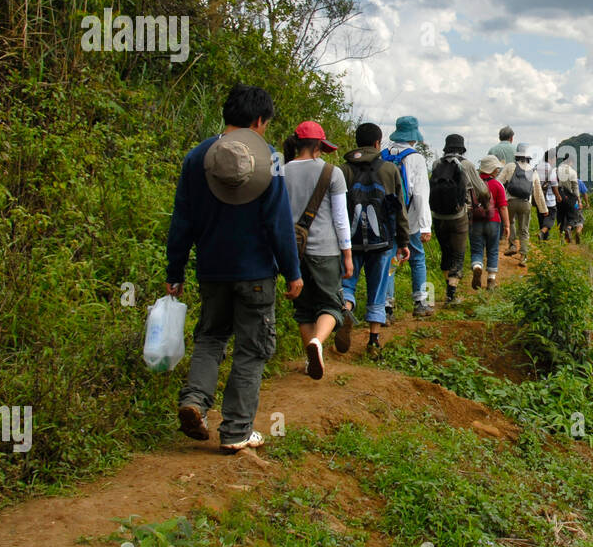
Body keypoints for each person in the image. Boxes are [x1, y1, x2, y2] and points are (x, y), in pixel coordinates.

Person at [166, 83, 302, 454]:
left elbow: (182, 220)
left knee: (211, 337)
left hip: (211, 271)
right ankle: (236, 431)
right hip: (255, 273)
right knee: (252, 349)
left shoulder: (196, 157)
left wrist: (174, 271)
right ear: (259, 121)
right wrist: (293, 271)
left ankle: (194, 400)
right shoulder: (270, 159)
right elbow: (278, 224)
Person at [282, 121, 352, 377]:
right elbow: (340, 218)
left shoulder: (281, 171)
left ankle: (311, 361)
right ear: (318, 146)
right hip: (326, 250)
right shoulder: (332, 173)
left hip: (293, 251)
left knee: (303, 308)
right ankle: (317, 343)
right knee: (332, 305)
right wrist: (347, 254)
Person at [339, 122, 410, 358]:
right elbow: (399, 208)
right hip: (382, 242)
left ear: (357, 142)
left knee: (347, 284)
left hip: (350, 241)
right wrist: (403, 241)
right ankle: (373, 341)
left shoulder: (344, 170)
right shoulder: (389, 170)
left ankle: (347, 308)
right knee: (378, 289)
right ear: (378, 143)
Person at [379, 115, 434, 322]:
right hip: (408, 219)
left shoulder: (382, 154)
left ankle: (386, 307)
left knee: (390, 260)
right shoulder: (415, 158)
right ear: (413, 135)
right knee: (417, 258)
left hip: (385, 219)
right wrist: (425, 225)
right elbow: (419, 194)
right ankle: (420, 302)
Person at [429, 133, 490, 304]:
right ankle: (451, 294)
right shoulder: (467, 165)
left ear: (446, 148)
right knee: (458, 254)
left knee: (446, 252)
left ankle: (448, 289)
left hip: (438, 216)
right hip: (459, 216)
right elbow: (483, 191)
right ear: (462, 149)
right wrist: (486, 205)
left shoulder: (436, 164)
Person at [498, 144, 546, 267]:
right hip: (525, 203)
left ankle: (513, 245)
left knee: (510, 223)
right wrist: (543, 209)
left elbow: (499, 182)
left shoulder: (510, 166)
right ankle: (523, 257)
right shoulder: (532, 171)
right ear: (528, 157)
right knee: (524, 230)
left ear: (517, 155)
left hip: (510, 202)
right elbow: (538, 192)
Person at [469, 156, 510, 289]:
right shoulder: (498, 185)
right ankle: (491, 280)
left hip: (475, 221)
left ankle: (477, 266)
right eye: (497, 168)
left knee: (476, 248)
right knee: (492, 249)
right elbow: (503, 207)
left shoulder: (472, 184)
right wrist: (507, 225)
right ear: (493, 169)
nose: (498, 170)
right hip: (493, 221)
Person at [556, 152, 582, 243]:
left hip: (558, 195)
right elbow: (575, 187)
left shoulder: (557, 170)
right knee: (573, 217)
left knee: (560, 217)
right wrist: (579, 201)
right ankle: (568, 228)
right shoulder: (572, 172)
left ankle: (561, 239)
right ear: (570, 161)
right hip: (569, 196)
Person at [534, 147, 559, 240]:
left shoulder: (536, 167)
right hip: (549, 200)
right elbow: (554, 185)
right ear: (549, 159)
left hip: (538, 199)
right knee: (551, 217)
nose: (554, 162)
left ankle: (544, 240)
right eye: (554, 160)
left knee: (541, 218)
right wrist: (558, 196)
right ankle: (542, 232)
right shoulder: (550, 169)